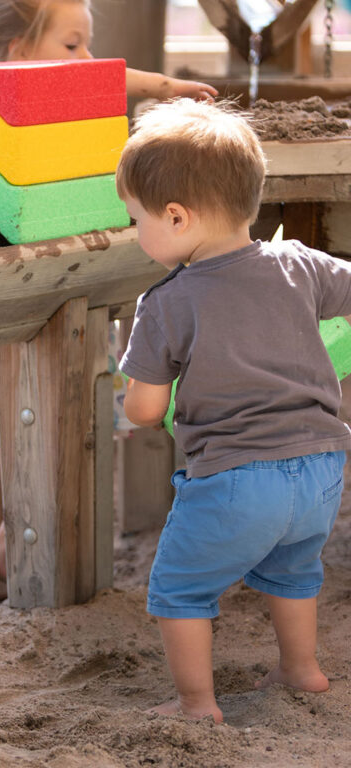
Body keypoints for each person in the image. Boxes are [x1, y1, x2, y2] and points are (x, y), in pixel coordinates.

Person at [0, 0, 219, 603]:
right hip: (8, 308)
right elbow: (109, 79)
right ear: (20, 52)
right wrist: (167, 85)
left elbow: (105, 78)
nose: (89, 62)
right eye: (72, 45)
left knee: (32, 441)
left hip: (53, 299)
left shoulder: (54, 112)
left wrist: (164, 87)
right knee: (18, 445)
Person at [116, 98, 351, 723]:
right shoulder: (299, 262)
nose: (136, 233)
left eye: (136, 219)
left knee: (180, 589)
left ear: (176, 216)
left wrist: (133, 396)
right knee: (295, 572)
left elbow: (143, 411)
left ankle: (196, 704)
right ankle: (302, 670)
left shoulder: (165, 302)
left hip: (236, 476)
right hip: (323, 465)